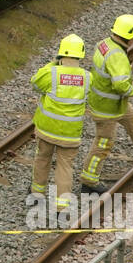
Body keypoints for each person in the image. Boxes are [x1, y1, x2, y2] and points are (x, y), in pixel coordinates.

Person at [82, 15, 133, 194]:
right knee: (104, 143)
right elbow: (121, 86)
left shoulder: (104, 44)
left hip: (111, 103)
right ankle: (89, 180)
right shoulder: (117, 56)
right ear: (128, 35)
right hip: (107, 108)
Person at [30, 34, 92, 215]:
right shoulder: (88, 77)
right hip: (70, 134)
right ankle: (61, 206)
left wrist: (52, 64)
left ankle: (37, 195)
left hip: (47, 129)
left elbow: (35, 83)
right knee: (65, 166)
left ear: (60, 54)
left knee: (42, 158)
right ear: (81, 55)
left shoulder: (52, 73)